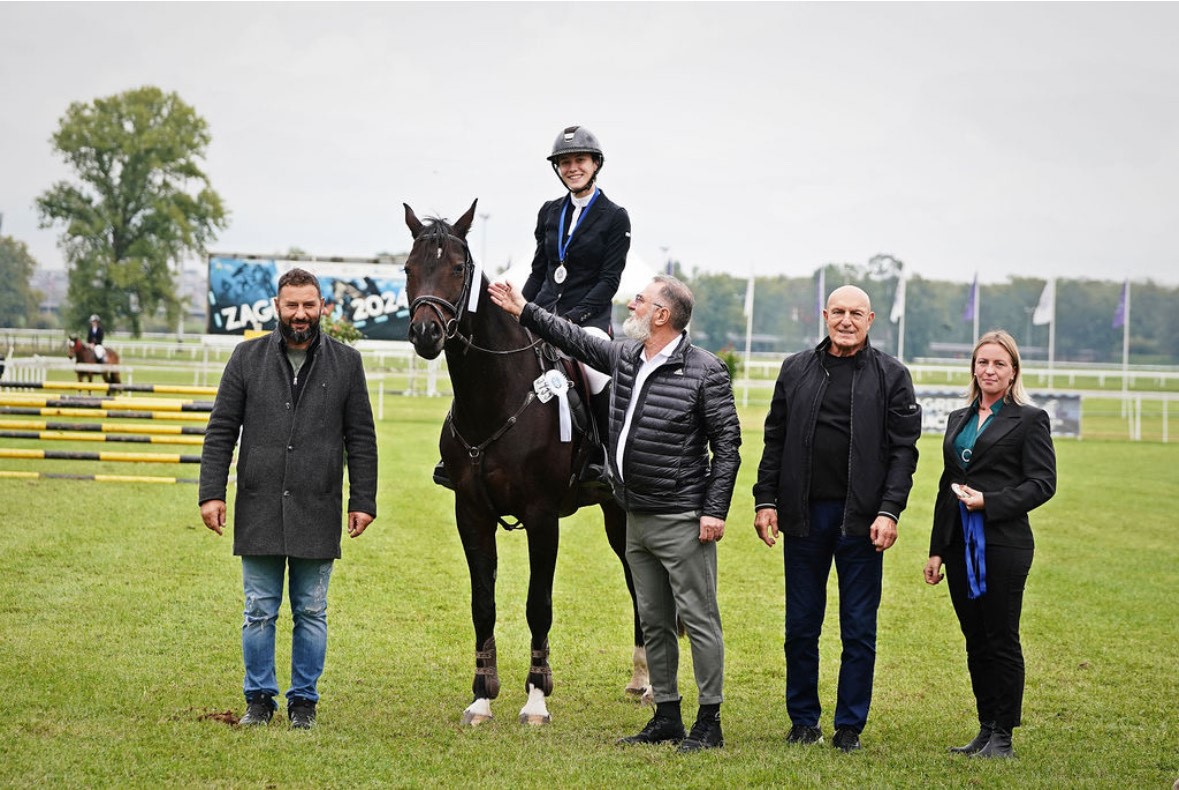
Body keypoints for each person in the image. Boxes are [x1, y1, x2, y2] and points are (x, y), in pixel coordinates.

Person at [488, 274, 741, 753]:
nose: (632, 302)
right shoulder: (626, 357)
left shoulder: (706, 370)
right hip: (636, 515)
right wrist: (523, 310)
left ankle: (709, 722)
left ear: (662, 315)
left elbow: (727, 445)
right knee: (654, 619)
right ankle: (667, 715)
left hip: (682, 517)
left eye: (641, 299)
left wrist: (714, 509)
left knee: (700, 619)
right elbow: (573, 338)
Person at [199, 267, 378, 730]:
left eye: (309, 305)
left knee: (312, 611)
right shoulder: (245, 358)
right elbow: (220, 431)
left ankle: (304, 702)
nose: (301, 313)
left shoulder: (347, 363)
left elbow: (361, 438)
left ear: (323, 308)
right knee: (258, 609)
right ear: (276, 307)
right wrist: (211, 494)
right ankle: (259, 699)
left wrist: (363, 499)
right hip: (258, 505)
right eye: (292, 305)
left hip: (317, 506)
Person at [752, 285, 921, 752]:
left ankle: (849, 727)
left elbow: (904, 452)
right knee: (801, 627)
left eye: (856, 314)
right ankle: (803, 721)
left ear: (871, 319)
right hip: (803, 519)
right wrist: (765, 500)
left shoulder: (892, 376)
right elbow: (775, 440)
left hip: (863, 521)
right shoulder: (796, 370)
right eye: (838, 312)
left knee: (858, 628)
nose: (846, 321)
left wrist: (889, 511)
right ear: (824, 315)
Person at [433, 124, 630, 489]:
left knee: (597, 378)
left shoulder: (615, 216)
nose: (573, 167)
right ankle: (458, 453)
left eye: (580, 160)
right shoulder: (549, 212)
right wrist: (523, 314)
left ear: (596, 163)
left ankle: (603, 461)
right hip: (542, 317)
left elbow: (608, 282)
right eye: (565, 162)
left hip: (587, 324)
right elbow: (541, 271)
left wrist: (566, 323)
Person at [923, 330, 1056, 759]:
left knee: (1001, 637)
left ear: (1013, 370)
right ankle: (984, 728)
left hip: (1003, 544)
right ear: (973, 368)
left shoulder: (1030, 419)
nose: (989, 370)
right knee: (975, 638)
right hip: (960, 546)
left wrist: (990, 502)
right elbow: (949, 486)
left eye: (999, 363)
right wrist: (938, 549)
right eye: (983, 363)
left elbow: (1042, 483)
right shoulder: (958, 419)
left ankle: (1004, 734)